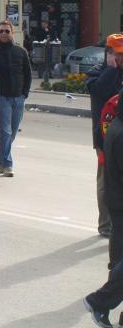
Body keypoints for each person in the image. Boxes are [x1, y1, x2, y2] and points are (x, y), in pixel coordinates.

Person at [86, 105, 123, 328]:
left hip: (117, 202)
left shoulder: (117, 125)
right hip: (120, 204)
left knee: (119, 261)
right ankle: (99, 301)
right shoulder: (120, 134)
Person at [0, 20, 32, 177]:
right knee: (5, 132)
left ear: (12, 33)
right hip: (1, 97)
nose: (4, 34)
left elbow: (28, 74)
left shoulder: (21, 52)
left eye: (7, 31)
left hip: (18, 97)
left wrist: (24, 93)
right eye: (1, 31)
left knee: (12, 132)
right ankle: (7, 164)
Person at [90, 36, 123, 237]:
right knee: (106, 182)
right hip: (105, 139)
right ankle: (105, 225)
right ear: (108, 54)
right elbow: (101, 92)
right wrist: (111, 69)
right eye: (118, 54)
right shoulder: (98, 74)